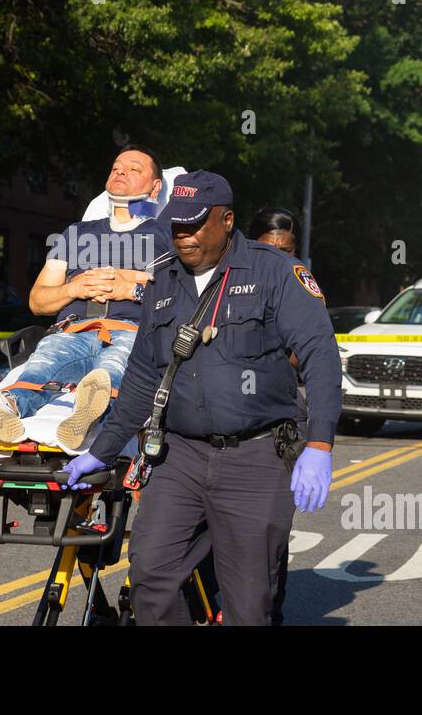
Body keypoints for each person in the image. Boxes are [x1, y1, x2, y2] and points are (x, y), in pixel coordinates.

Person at [62, 171, 341, 625]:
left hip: (256, 458)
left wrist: (319, 444)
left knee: (249, 604)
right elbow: (141, 377)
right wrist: (102, 450)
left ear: (227, 220)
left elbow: (321, 357)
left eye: (194, 225)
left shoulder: (276, 272)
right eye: (176, 226)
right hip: (179, 457)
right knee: (151, 578)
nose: (183, 235)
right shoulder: (162, 280)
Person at [0, 145, 172, 449]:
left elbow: (179, 298)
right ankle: (6, 408)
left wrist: (130, 288)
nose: (120, 171)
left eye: (134, 169)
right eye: (116, 166)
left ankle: (87, 415)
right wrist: (74, 287)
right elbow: (38, 302)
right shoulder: (77, 234)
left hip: (132, 332)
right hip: (74, 329)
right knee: (44, 364)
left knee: (111, 370)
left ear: (155, 187)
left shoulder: (168, 237)